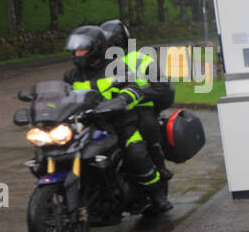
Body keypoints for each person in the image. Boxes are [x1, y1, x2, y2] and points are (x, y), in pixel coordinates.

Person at [62, 24, 172, 215]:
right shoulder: (71, 74)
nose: (78, 54)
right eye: (75, 50)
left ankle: (156, 194)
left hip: (120, 122)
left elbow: (134, 86)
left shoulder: (118, 66)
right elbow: (61, 96)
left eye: (82, 50)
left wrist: (123, 99)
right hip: (88, 123)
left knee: (136, 153)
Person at [98, 19, 174, 182]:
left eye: (109, 46)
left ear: (119, 44)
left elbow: (163, 86)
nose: (106, 49)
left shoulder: (139, 59)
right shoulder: (97, 65)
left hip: (141, 106)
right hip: (109, 112)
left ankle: (159, 169)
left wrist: (135, 96)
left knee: (147, 128)